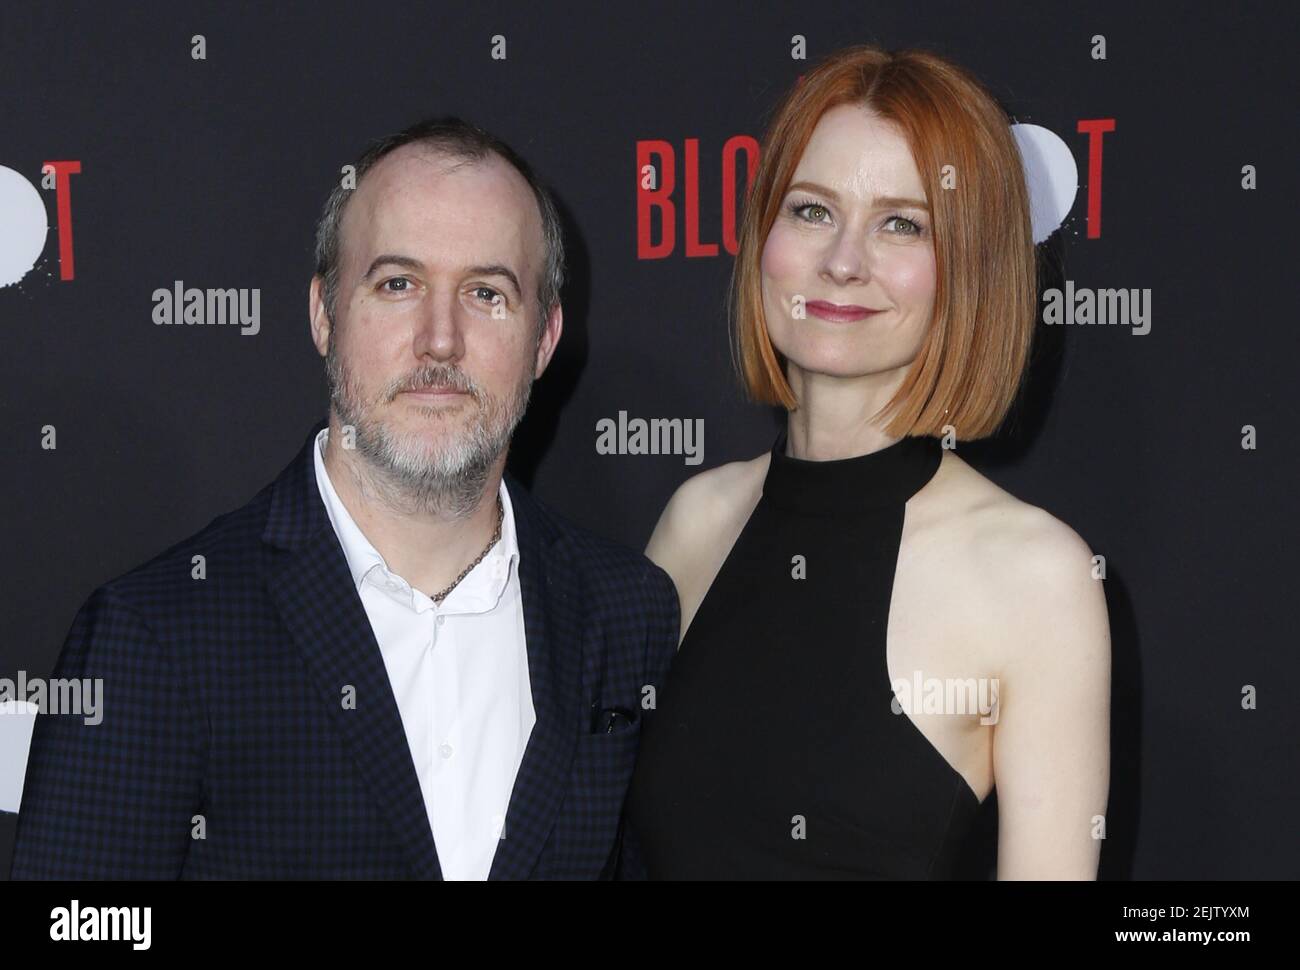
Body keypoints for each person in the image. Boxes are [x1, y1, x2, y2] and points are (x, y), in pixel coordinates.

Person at [11, 116, 679, 880]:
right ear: (325, 315)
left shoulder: (625, 613)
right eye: (397, 284)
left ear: (546, 337)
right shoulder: (158, 632)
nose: (439, 341)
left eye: (486, 293)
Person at [626, 45, 1111, 879]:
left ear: (971, 269)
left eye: (902, 223)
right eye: (812, 211)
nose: (843, 261)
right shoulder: (694, 522)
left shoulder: (1037, 576)